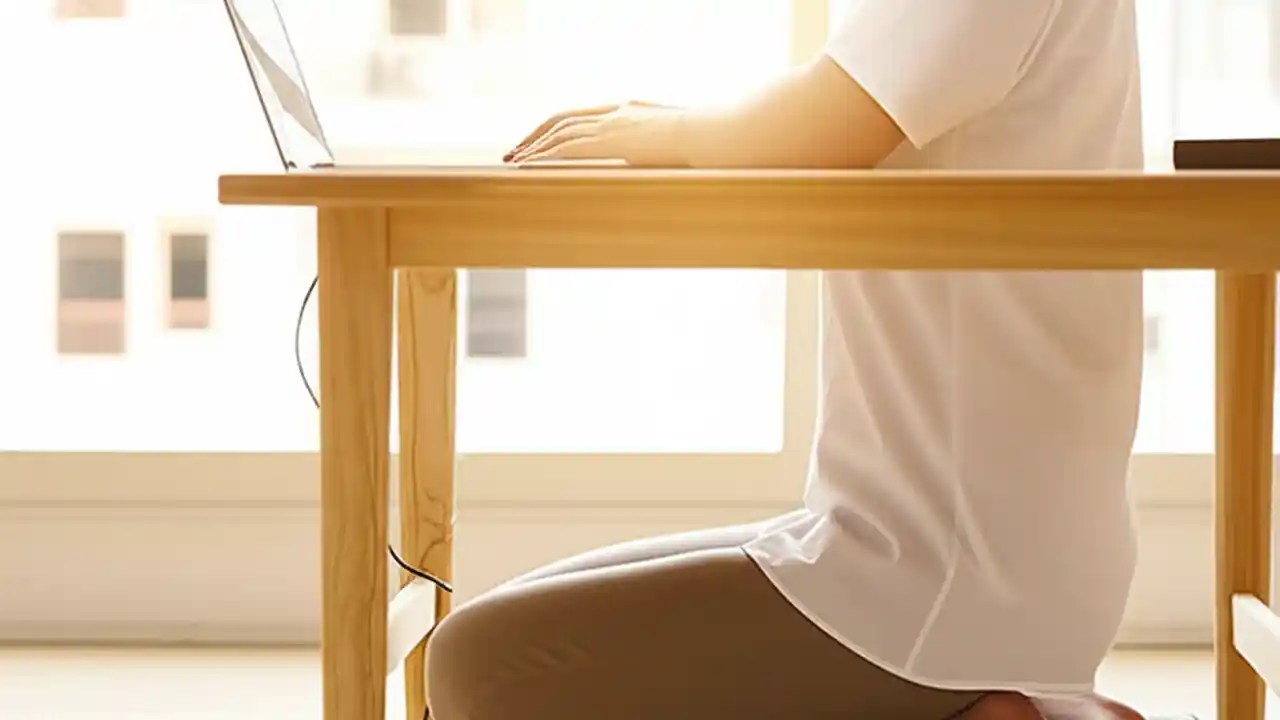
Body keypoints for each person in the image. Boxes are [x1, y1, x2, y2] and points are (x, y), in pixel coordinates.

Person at [426, 0, 1157, 718]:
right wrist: (677, 130)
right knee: (489, 633)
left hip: (951, 585)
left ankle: (1003, 709)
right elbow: (838, 101)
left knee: (482, 667)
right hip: (939, 552)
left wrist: (670, 132)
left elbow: (832, 121)